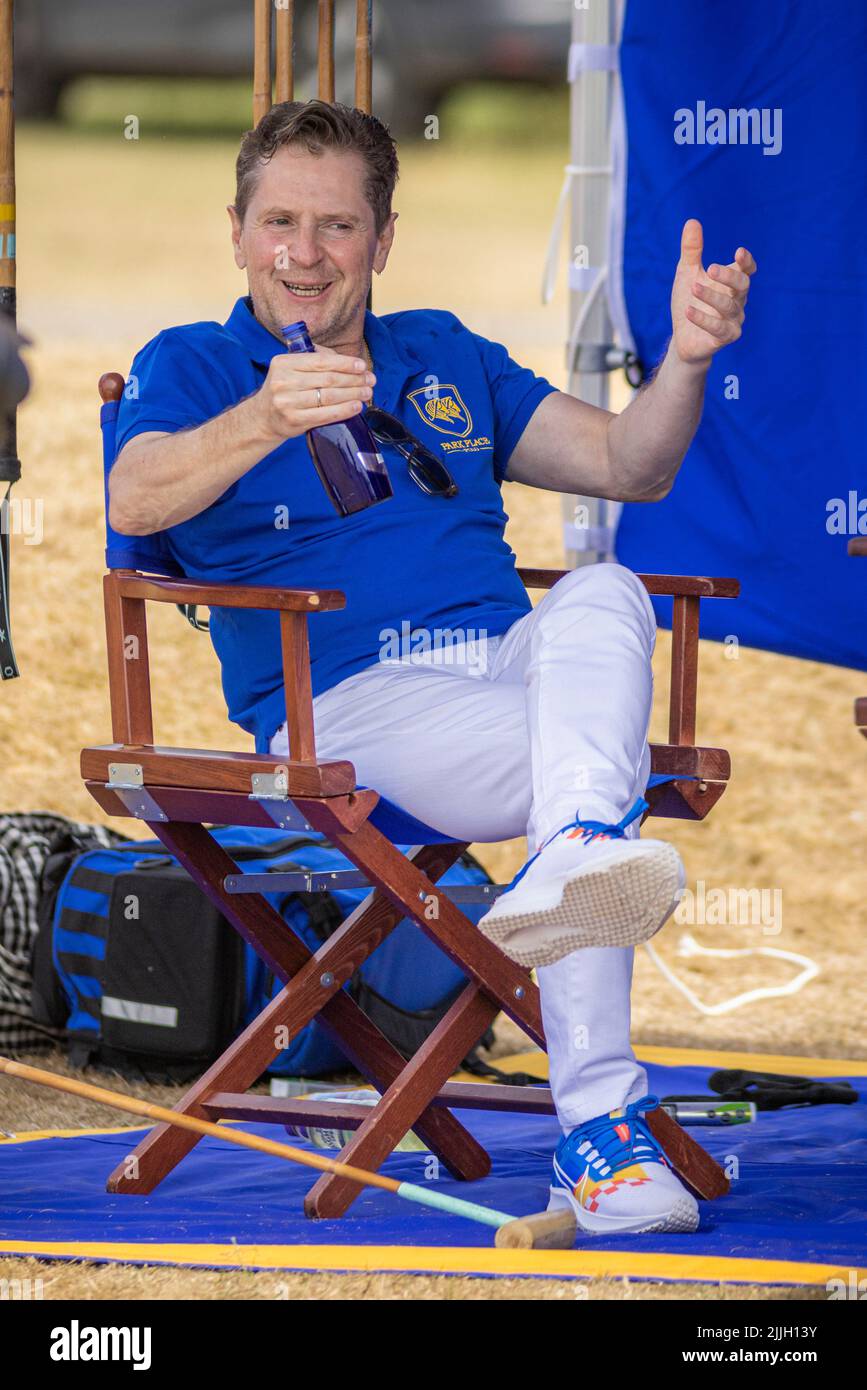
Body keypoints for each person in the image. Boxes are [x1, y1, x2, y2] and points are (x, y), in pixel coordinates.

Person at [109, 100, 755, 1235]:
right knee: (583, 798)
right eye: (280, 222)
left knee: (610, 590)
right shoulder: (197, 364)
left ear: (384, 239)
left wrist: (688, 361)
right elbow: (134, 497)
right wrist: (261, 416)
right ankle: (599, 1129)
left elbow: (629, 463)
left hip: (510, 667)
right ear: (237, 228)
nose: (304, 254)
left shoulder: (443, 354)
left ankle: (575, 867)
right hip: (347, 702)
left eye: (337, 226)